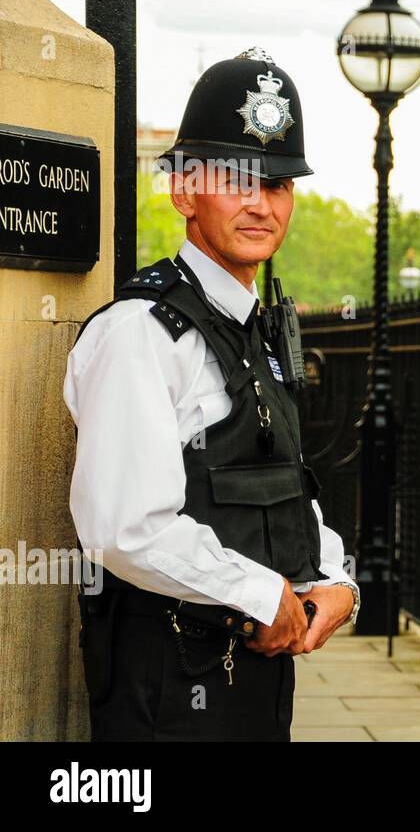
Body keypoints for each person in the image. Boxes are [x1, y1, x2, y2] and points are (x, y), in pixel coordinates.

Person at [63, 48, 360, 741]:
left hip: (258, 685)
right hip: (166, 693)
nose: (262, 202)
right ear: (185, 190)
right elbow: (123, 524)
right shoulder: (142, 332)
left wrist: (336, 580)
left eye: (280, 183)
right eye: (238, 178)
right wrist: (263, 593)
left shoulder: (259, 327)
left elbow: (281, 480)